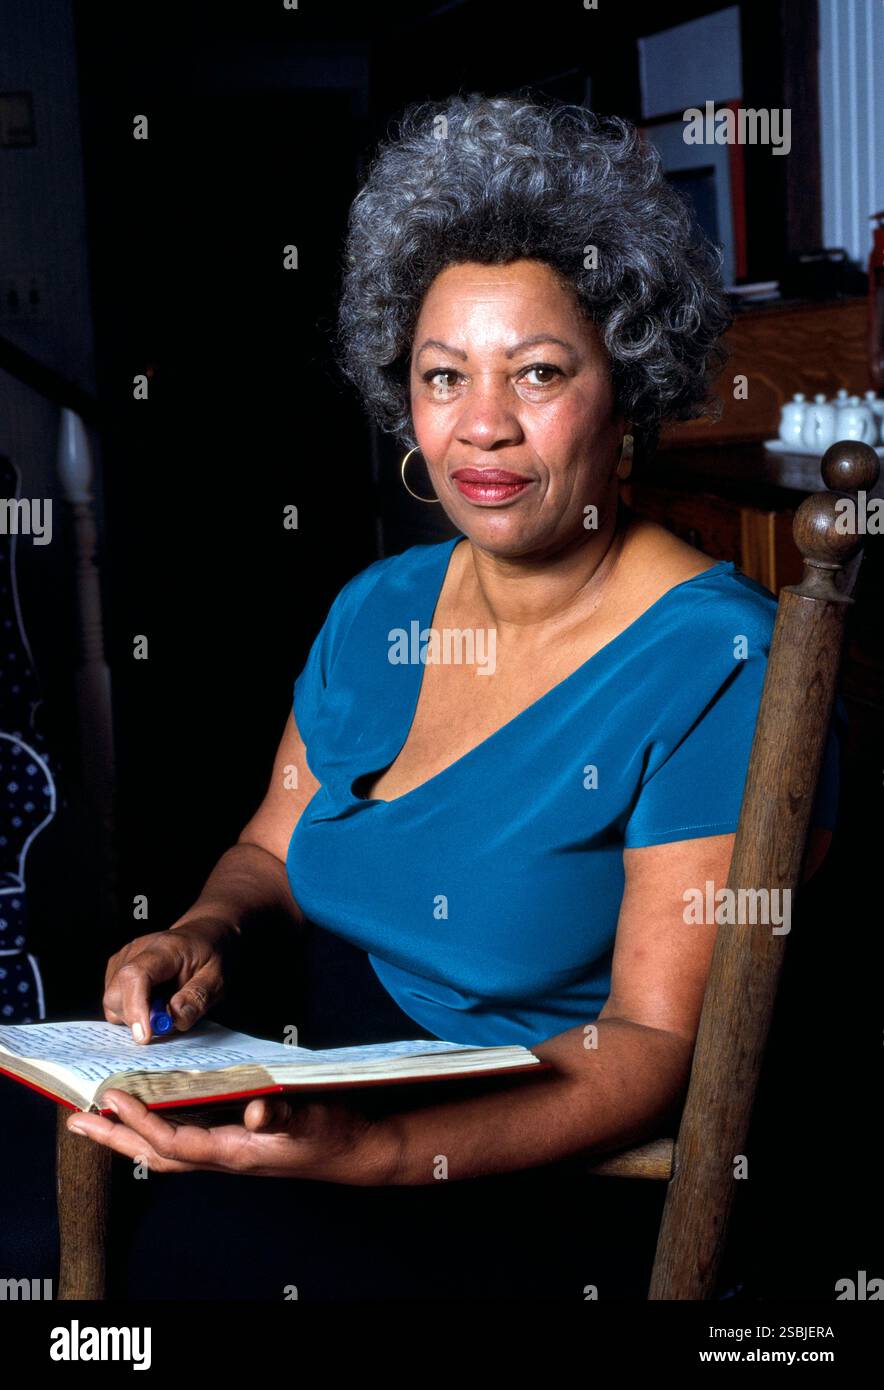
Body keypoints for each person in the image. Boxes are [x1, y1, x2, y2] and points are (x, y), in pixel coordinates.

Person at [69, 93, 840, 1300]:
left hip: (547, 1175)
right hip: (317, 1099)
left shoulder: (717, 664)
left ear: (625, 394)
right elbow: (268, 853)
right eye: (443, 375)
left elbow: (650, 1044)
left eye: (537, 372)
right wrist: (199, 934)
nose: (481, 424)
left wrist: (371, 1153)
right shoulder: (375, 607)